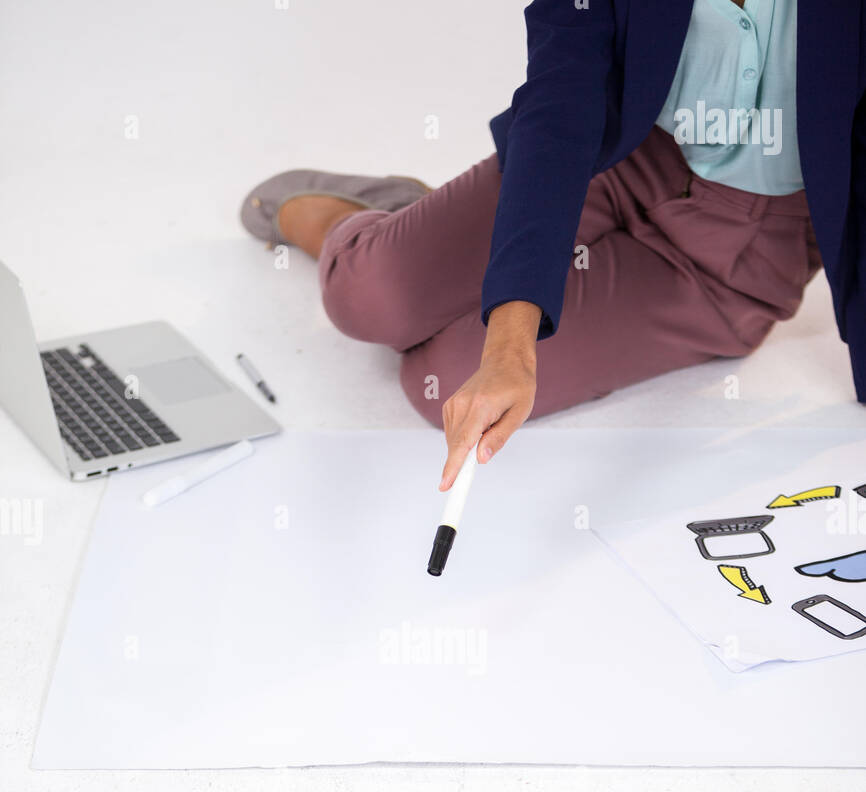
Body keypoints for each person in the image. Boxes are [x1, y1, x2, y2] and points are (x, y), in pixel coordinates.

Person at [241, 0, 865, 492]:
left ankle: (438, 238)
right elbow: (562, 96)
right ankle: (381, 216)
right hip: (615, 155)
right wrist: (512, 338)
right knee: (366, 293)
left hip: (733, 254)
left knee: (443, 383)